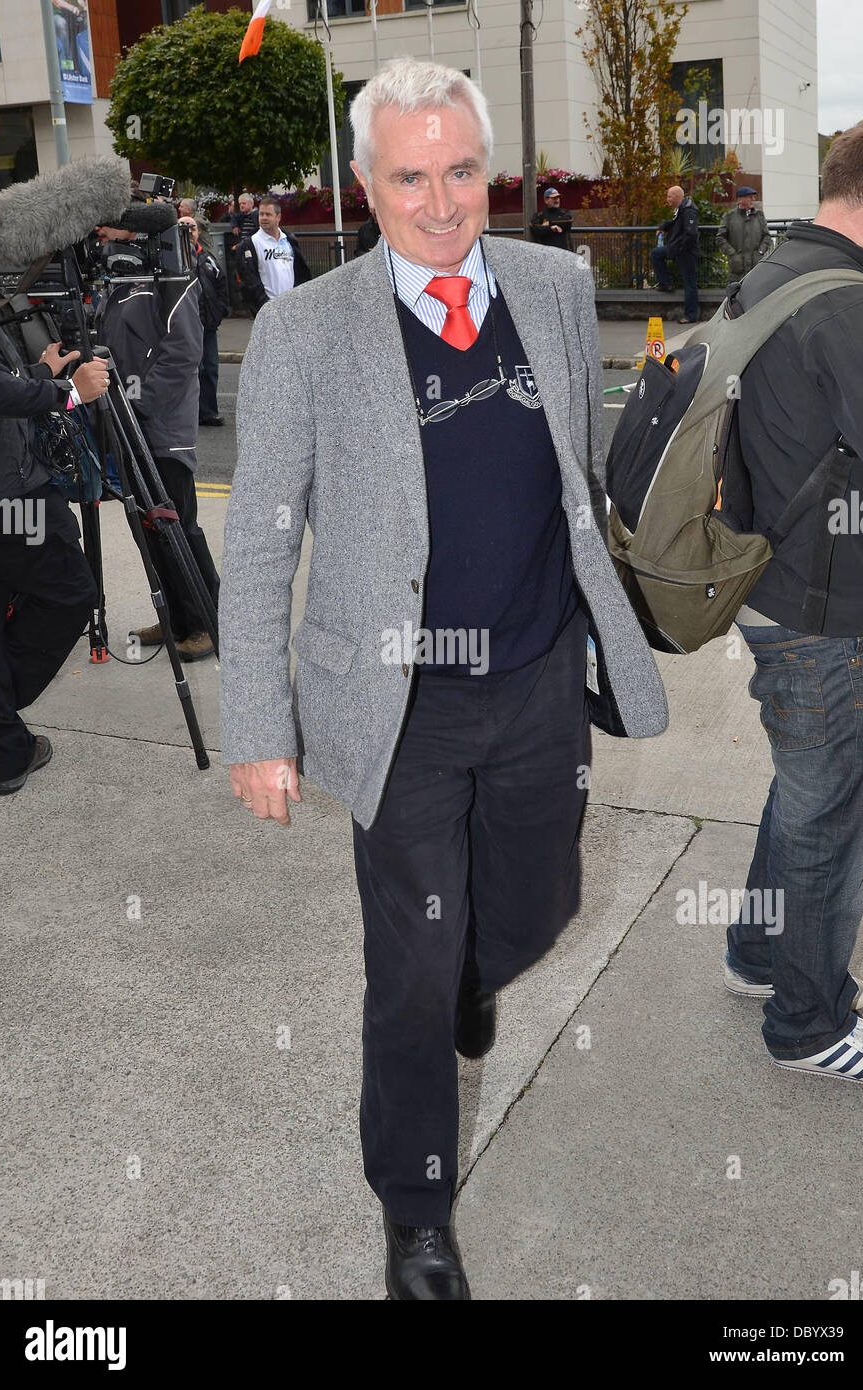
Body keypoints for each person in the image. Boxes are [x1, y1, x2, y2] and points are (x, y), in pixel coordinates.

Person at [220, 56, 667, 1299]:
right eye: (409, 177)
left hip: (533, 679)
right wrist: (259, 723)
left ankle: (478, 966)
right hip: (395, 703)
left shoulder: (556, 286)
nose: (439, 202)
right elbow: (258, 538)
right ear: (366, 186)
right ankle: (415, 1208)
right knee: (411, 973)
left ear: (488, 171)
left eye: (459, 170)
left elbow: (572, 476)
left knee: (536, 907)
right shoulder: (308, 330)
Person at [726, 112, 863, 1085]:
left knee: (805, 790)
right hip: (838, 613)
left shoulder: (776, 270)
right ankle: (808, 1023)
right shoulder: (858, 308)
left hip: (776, 586)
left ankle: (757, 953)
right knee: (833, 813)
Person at [0, 274, 108, 794]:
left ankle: (1, 748)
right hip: (6, 495)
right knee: (72, 593)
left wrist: (38, 371)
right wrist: (68, 391)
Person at [95, 216, 220, 663]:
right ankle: (175, 619)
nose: (101, 237)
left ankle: (205, 621)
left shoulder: (171, 279)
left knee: (177, 529)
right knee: (150, 531)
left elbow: (184, 352)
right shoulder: (125, 280)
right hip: (130, 428)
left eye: (108, 230)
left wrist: (139, 403)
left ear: (134, 233)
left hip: (162, 433)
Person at [179, 215, 229, 427]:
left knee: (210, 369)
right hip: (185, 328)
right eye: (184, 228)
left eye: (193, 228)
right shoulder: (174, 261)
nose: (189, 232)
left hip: (207, 326)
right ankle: (188, 414)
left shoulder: (208, 258)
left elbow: (221, 286)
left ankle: (208, 412)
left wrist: (220, 313)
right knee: (191, 371)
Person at [235, 195, 311, 315]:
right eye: (261, 214)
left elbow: (301, 272)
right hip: (268, 310)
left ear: (278, 217)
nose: (264, 218)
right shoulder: (251, 243)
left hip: (292, 307)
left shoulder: (289, 240)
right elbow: (250, 279)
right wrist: (265, 306)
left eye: (268, 214)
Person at [651, 184, 701, 322]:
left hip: (686, 252)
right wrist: (662, 227)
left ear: (677, 197)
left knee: (689, 283)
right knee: (656, 253)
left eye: (669, 196)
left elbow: (691, 234)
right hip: (677, 249)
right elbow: (673, 223)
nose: (667, 199)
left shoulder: (688, 210)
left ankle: (691, 315)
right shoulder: (681, 209)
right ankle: (665, 283)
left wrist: (680, 249)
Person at [715, 185, 773, 280]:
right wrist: (733, 254)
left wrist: (760, 252)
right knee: (736, 292)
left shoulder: (759, 215)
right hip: (737, 268)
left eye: (753, 197)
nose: (753, 200)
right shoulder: (729, 216)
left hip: (756, 266)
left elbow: (767, 236)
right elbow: (720, 238)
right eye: (750, 197)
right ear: (740, 200)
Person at [530, 186, 574, 251]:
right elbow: (534, 228)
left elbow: (568, 222)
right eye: (554, 198)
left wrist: (548, 223)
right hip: (546, 253)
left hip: (564, 252)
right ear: (546, 200)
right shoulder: (540, 215)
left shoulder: (565, 212)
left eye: (558, 197)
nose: (557, 200)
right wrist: (551, 228)